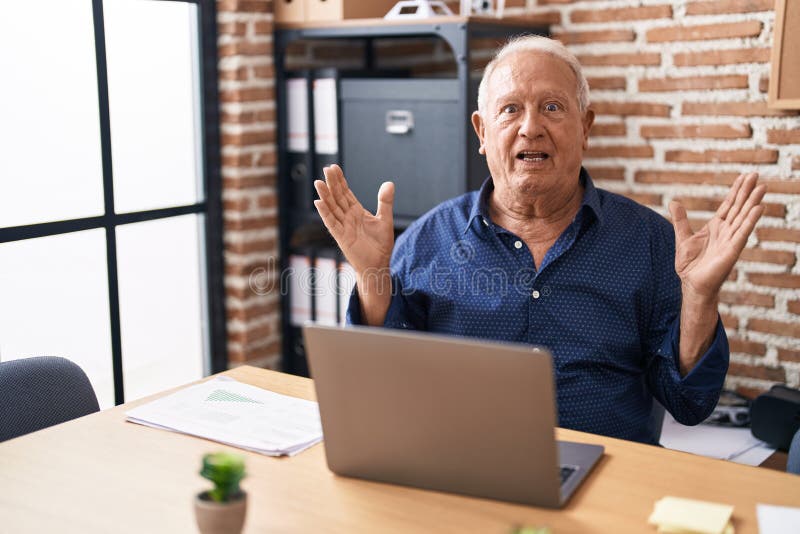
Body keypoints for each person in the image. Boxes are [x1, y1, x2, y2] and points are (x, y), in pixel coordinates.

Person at [312, 35, 766, 444]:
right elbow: (382, 387)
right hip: (461, 466)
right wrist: (373, 278)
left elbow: (690, 404)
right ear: (482, 132)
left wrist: (701, 298)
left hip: (610, 477)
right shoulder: (429, 239)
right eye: (510, 109)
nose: (531, 127)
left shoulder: (649, 243)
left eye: (552, 107)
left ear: (585, 127)